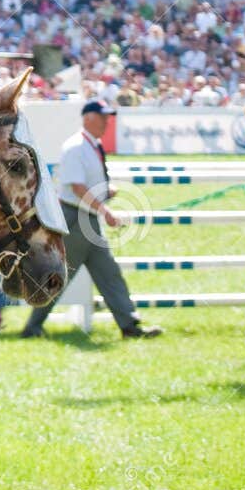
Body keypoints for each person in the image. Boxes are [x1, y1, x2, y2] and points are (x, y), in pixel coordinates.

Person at [20, 101, 162, 340]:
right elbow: (76, 187)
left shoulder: (90, 145)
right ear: (87, 118)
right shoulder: (76, 147)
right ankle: (33, 327)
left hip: (86, 219)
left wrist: (106, 190)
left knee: (108, 273)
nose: (107, 121)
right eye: (102, 116)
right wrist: (105, 209)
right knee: (61, 276)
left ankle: (129, 325)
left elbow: (83, 185)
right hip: (76, 220)